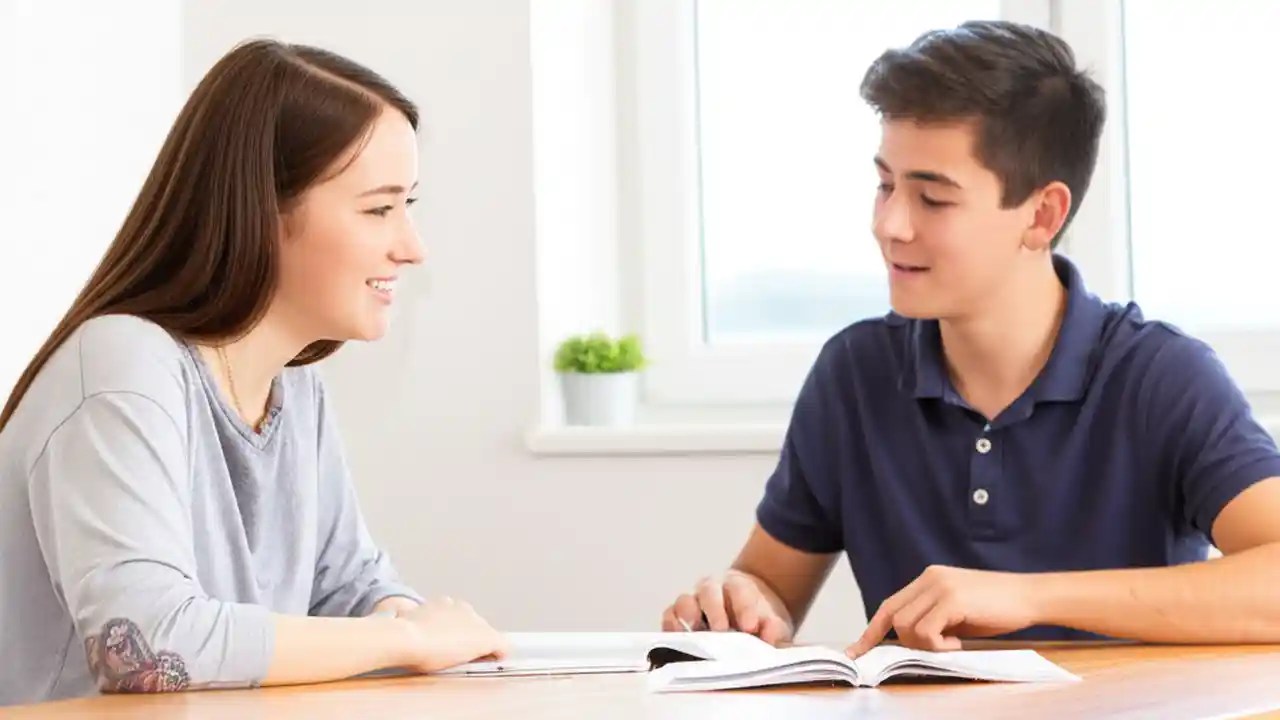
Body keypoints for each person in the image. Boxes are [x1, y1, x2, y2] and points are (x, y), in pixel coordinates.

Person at [661, 20, 1280, 655]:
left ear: (1041, 215)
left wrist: (1025, 596)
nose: (890, 225)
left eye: (932, 199)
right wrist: (742, 601)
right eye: (885, 185)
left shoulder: (1161, 377)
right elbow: (770, 584)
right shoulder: (855, 372)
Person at [0, 39, 506, 706]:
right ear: (263, 211)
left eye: (409, 205)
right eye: (379, 208)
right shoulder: (121, 364)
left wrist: (396, 616)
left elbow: (350, 590)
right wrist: (406, 640)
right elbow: (147, 646)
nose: (412, 246)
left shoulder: (295, 388)